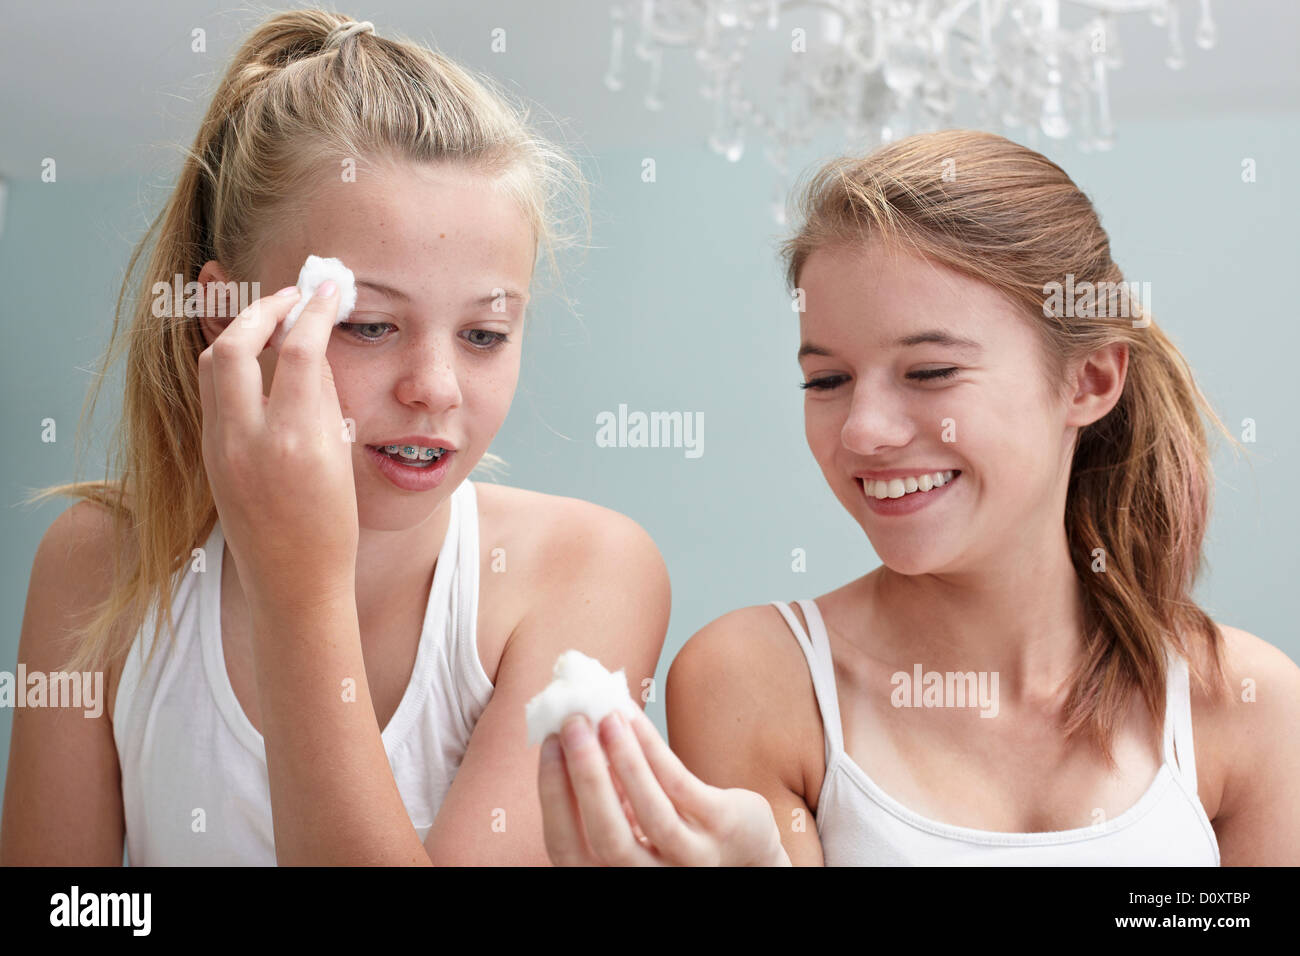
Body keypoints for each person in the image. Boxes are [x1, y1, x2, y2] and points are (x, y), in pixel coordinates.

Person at [0, 10, 669, 866]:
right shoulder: (98, 560)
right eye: (367, 325)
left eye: (484, 334)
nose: (434, 388)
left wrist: (297, 586)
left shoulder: (588, 571)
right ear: (225, 314)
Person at [537, 129, 1300, 866]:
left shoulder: (1248, 702)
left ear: (1090, 380)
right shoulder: (756, 680)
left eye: (930, 372)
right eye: (827, 380)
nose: (863, 432)